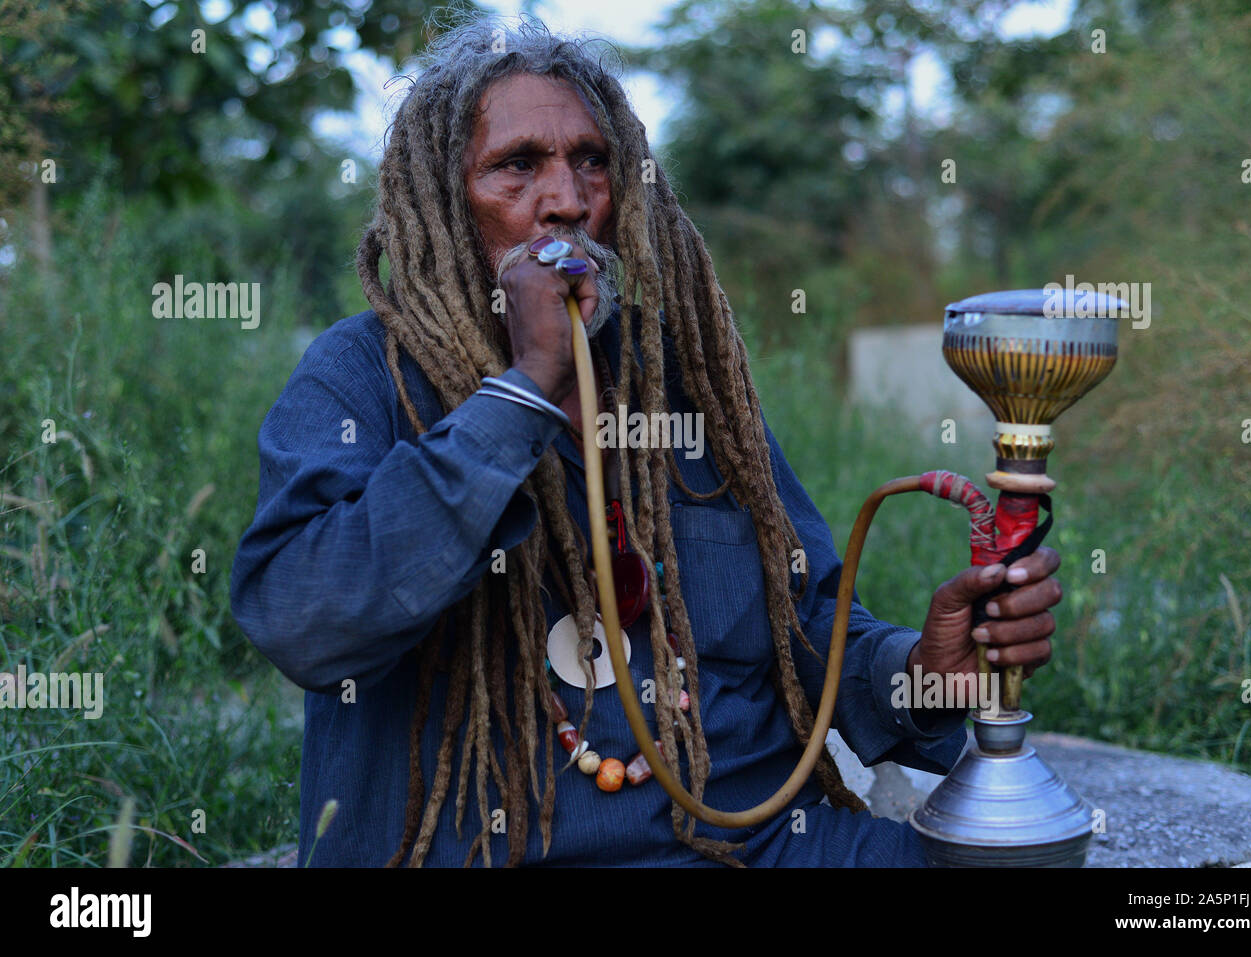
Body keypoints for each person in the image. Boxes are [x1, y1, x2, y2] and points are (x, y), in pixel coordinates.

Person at [229, 16, 1063, 868]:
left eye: (591, 160)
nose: (565, 198)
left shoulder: (681, 376)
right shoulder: (360, 373)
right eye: (517, 165)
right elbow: (304, 621)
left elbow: (801, 625)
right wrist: (521, 393)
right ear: (447, 198)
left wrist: (925, 668)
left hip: (755, 845)